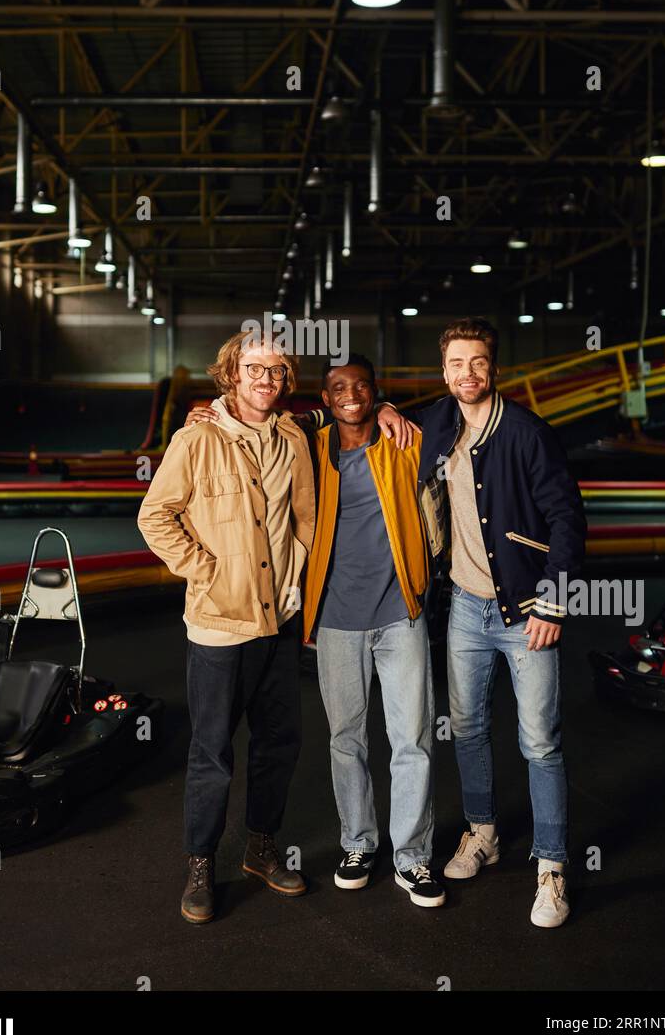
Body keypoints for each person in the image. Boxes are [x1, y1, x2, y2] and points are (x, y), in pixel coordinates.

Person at [138, 330, 411, 924]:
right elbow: (154, 515)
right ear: (230, 374)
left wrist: (386, 405)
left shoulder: (294, 433)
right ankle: (201, 865)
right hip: (219, 624)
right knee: (212, 752)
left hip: (281, 621)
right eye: (254, 369)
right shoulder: (197, 438)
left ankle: (262, 850)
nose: (265, 379)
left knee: (279, 743)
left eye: (276, 371)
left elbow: (315, 494)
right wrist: (206, 571)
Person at [400, 317, 587, 928]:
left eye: (477, 362)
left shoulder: (529, 433)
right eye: (456, 364)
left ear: (495, 368)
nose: (467, 374)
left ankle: (553, 869)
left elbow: (567, 518)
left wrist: (553, 601)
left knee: (539, 740)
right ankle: (483, 834)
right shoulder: (435, 422)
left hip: (527, 609)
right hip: (465, 607)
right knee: (468, 726)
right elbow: (365, 411)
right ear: (445, 369)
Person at [303, 355, 444, 907]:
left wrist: (393, 410)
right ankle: (358, 843)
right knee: (347, 740)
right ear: (326, 398)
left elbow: (453, 411)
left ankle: (413, 857)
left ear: (376, 391)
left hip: (399, 612)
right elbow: (259, 425)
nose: (351, 394)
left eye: (362, 386)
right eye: (339, 387)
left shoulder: (403, 444)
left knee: (412, 738)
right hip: (336, 618)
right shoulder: (311, 451)